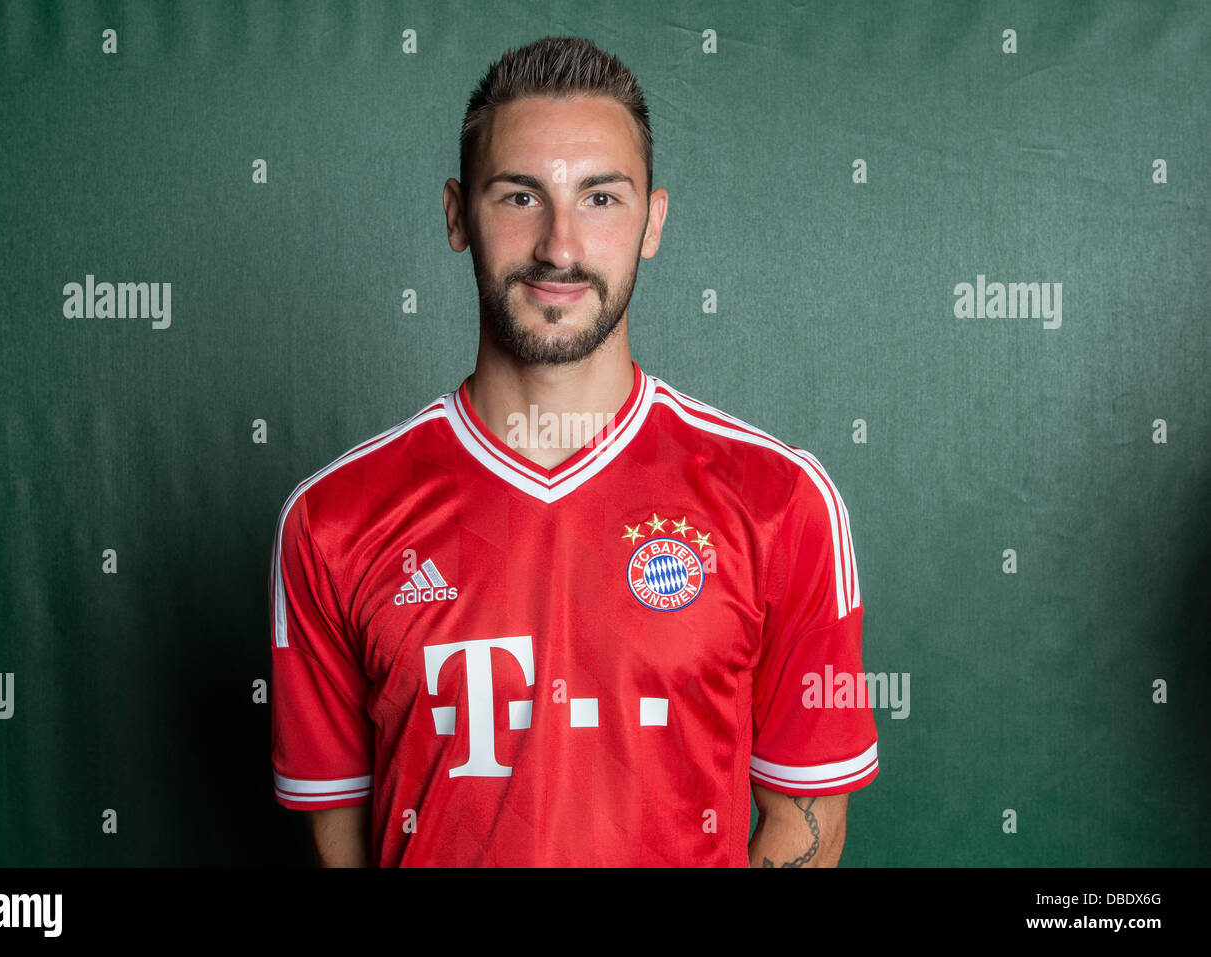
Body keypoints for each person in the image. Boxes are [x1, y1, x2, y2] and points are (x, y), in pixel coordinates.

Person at [268, 35, 877, 867]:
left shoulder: (779, 502)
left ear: (653, 221)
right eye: (520, 196)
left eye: (600, 198)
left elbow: (807, 821)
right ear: (456, 216)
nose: (559, 245)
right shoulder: (333, 520)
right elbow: (337, 835)